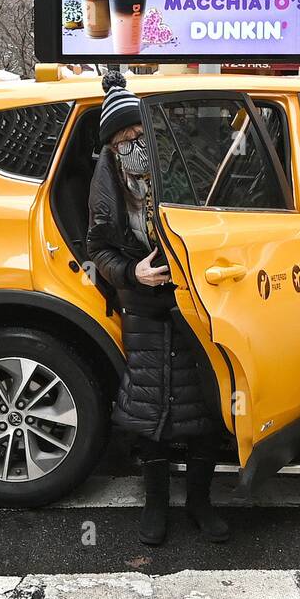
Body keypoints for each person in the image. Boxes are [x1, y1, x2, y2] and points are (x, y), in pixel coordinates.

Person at [86, 71, 230, 546]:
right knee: (149, 407)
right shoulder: (108, 181)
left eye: (137, 135)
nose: (132, 146)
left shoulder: (185, 167)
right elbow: (100, 249)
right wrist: (133, 274)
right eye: (122, 141)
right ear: (110, 148)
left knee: (204, 403)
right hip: (143, 305)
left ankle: (199, 501)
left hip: (198, 301)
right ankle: (154, 504)